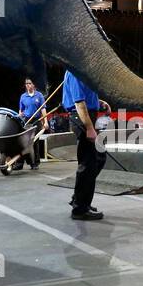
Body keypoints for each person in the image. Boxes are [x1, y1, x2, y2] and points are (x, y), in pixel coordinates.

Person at [62, 68, 106, 220]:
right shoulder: (75, 72)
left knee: (99, 157)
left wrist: (99, 103)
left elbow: (84, 97)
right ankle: (80, 209)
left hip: (87, 115)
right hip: (81, 118)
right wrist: (89, 128)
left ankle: (79, 198)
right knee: (87, 163)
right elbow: (79, 102)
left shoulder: (82, 71)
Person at [18, 77, 45, 168]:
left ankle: (35, 163)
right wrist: (20, 118)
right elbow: (21, 111)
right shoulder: (23, 96)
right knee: (23, 142)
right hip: (26, 120)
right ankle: (20, 163)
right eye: (26, 83)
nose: (28, 85)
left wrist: (45, 122)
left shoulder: (39, 95)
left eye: (29, 83)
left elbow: (43, 109)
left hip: (36, 121)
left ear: (34, 84)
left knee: (34, 141)